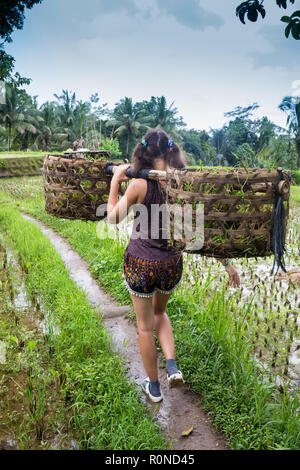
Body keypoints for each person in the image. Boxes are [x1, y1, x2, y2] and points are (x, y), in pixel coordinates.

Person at [107, 129, 240, 403]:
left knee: (145, 327)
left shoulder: (138, 186)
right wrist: (227, 262)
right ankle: (172, 366)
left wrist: (115, 180)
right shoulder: (182, 187)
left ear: (144, 155)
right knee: (160, 313)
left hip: (140, 265)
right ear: (170, 154)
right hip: (170, 265)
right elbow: (201, 233)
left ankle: (153, 387)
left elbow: (111, 219)